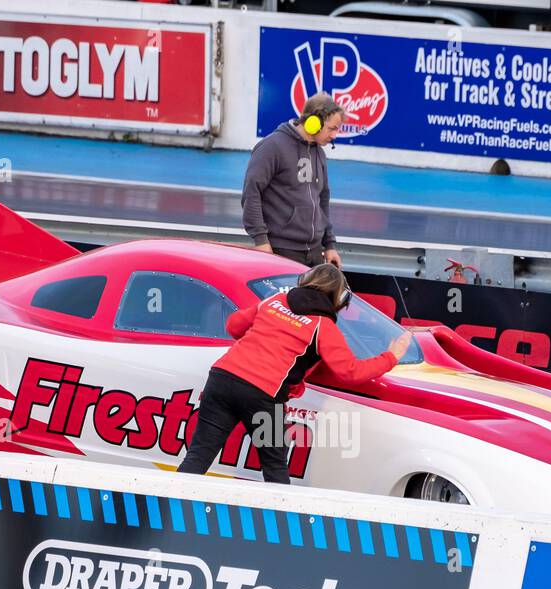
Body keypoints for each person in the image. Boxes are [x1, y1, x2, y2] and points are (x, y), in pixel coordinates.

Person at [177, 264, 412, 483]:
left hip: (222, 378)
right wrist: (390, 356)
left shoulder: (274, 300)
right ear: (339, 299)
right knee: (275, 468)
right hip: (262, 395)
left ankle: (167, 515)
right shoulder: (323, 326)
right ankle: (280, 526)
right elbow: (349, 372)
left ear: (303, 282)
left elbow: (234, 326)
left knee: (197, 457)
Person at [242, 93, 345, 268]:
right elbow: (252, 193)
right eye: (332, 128)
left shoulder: (319, 152)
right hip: (282, 251)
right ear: (314, 123)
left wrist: (329, 244)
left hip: (314, 253)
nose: (335, 135)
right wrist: (261, 241)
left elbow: (323, 200)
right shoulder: (272, 147)